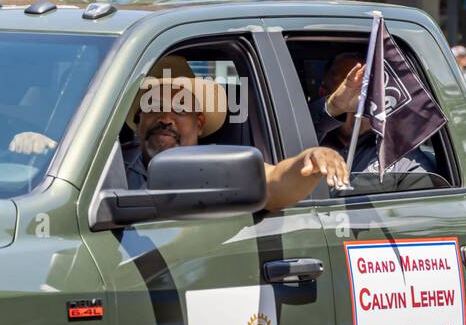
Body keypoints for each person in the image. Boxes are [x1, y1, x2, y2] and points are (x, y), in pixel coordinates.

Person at [123, 55, 348, 211]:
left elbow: (274, 183)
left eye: (181, 108)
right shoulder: (105, 165)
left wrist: (310, 159)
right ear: (139, 118)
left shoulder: (219, 164)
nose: (165, 118)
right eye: (153, 105)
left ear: (199, 123)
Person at [312, 53, 438, 179]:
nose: (359, 100)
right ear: (324, 93)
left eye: (369, 89)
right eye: (348, 89)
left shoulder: (400, 161)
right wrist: (332, 107)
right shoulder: (306, 138)